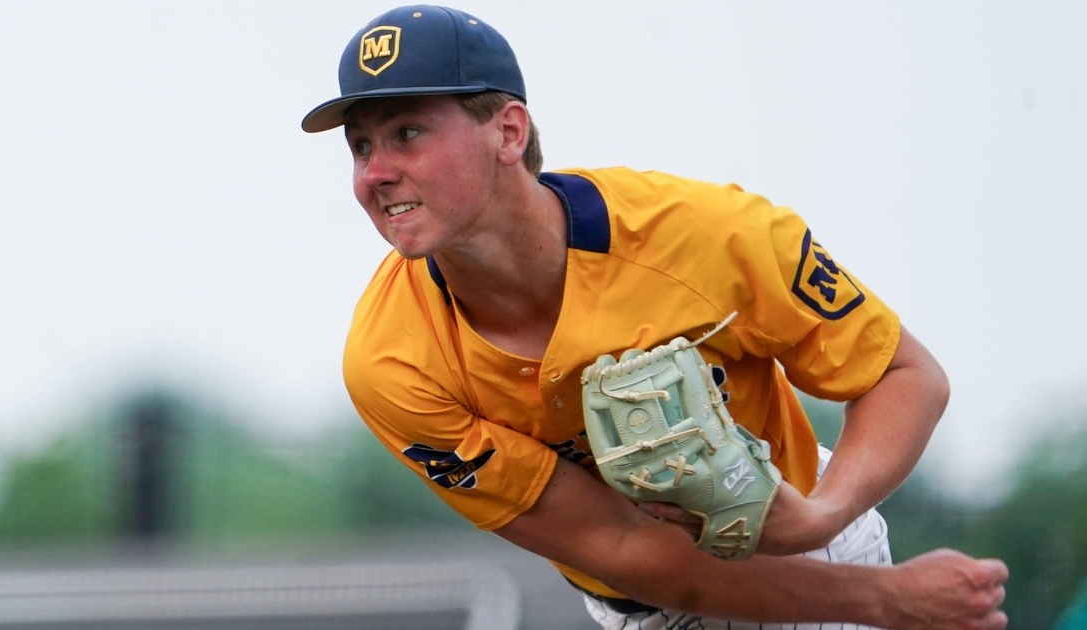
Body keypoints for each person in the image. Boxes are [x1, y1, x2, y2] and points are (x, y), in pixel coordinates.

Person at [301, 5, 1009, 628]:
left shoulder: (706, 233)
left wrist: (823, 518)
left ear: (508, 132)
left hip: (811, 548)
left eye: (408, 133)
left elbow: (905, 374)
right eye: (360, 145)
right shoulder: (391, 361)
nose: (374, 172)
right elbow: (623, 547)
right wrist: (889, 600)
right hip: (649, 604)